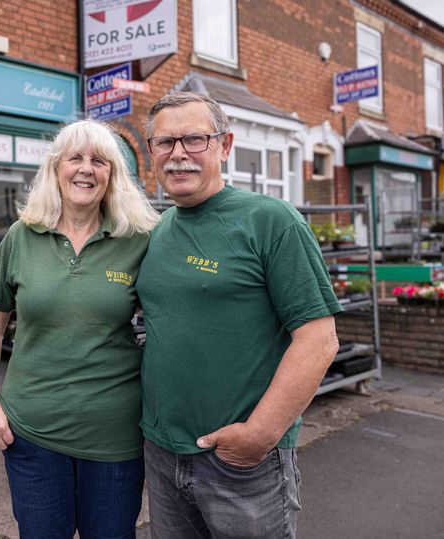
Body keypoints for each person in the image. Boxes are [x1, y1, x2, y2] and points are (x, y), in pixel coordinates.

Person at [137, 92, 342, 538]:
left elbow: (319, 339)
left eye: (194, 139)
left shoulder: (271, 221)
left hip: (242, 465)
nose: (178, 155)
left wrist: (259, 435)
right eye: (164, 143)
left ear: (224, 146)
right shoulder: (158, 230)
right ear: (150, 151)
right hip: (163, 452)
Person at [0, 119, 159, 539]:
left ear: (113, 175)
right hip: (32, 434)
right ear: (56, 169)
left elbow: (174, 315)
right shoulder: (22, 236)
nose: (86, 169)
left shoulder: (139, 239)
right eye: (75, 158)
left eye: (99, 161)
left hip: (114, 437)